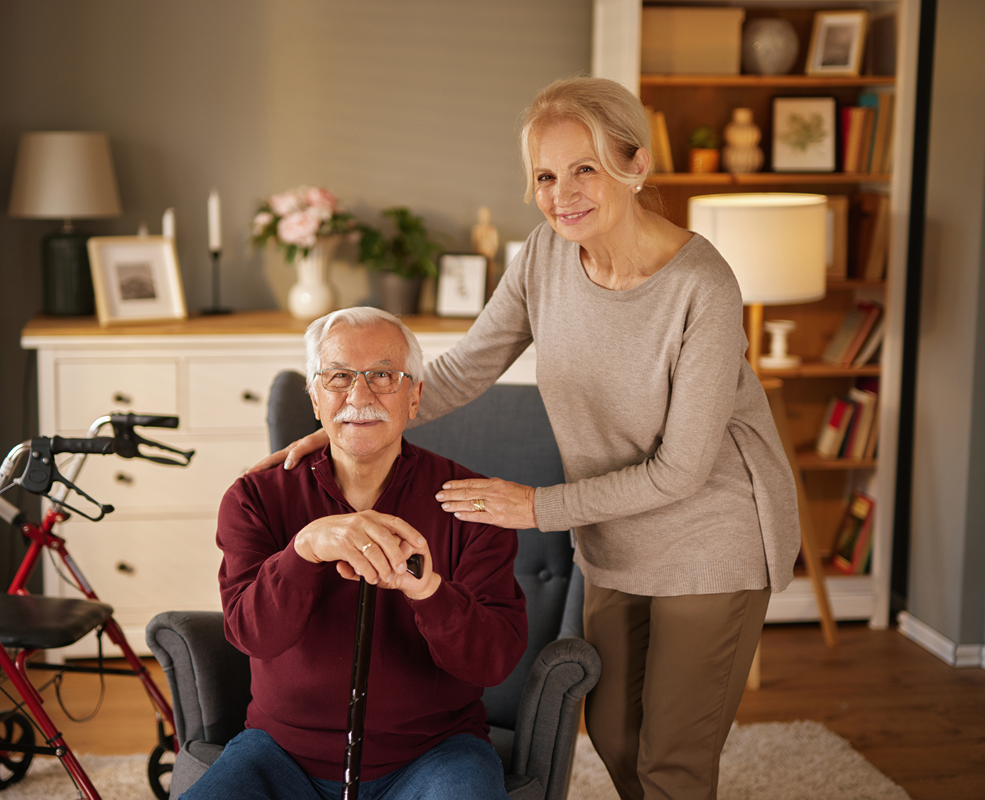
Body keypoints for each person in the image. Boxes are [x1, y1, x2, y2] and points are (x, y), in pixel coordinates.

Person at [253, 75, 801, 800]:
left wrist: (534, 507)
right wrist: (353, 421)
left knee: (672, 756)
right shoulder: (545, 256)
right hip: (616, 532)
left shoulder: (702, 285)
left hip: (712, 530)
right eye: (545, 175)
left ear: (634, 165)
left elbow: (682, 471)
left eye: (585, 168)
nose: (562, 192)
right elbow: (460, 370)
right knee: (613, 733)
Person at [189, 306, 527, 800]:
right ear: (314, 396)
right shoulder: (255, 498)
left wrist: (430, 592)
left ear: (415, 397)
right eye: (339, 377)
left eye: (383, 376)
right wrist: (303, 550)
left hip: (437, 753)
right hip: (280, 753)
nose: (360, 395)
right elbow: (251, 633)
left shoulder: (471, 505)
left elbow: (493, 662)